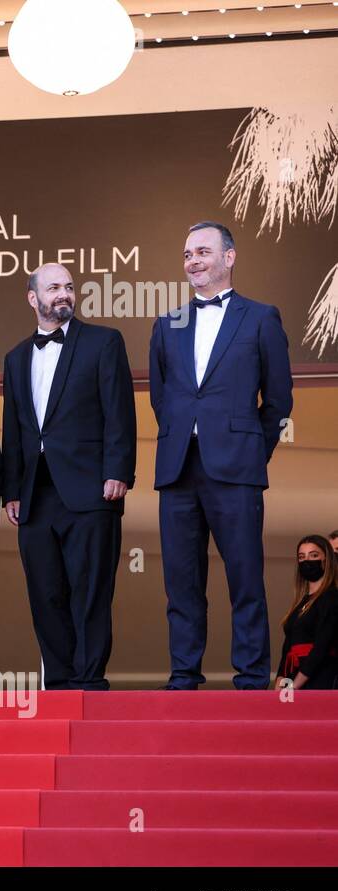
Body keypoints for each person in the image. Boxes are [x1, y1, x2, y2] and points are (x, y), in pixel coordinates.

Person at [150, 222, 293, 689]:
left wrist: (252, 450)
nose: (193, 260)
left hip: (237, 468)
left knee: (245, 577)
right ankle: (184, 675)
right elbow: (161, 397)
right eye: (187, 253)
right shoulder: (165, 323)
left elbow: (278, 401)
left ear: (229, 257)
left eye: (203, 251)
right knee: (181, 583)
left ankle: (251, 676)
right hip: (178, 468)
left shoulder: (261, 316)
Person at [1, 264, 137, 690]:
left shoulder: (104, 341)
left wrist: (118, 471)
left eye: (69, 287)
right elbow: (16, 429)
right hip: (35, 495)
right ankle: (59, 684)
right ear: (31, 298)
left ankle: (89, 682)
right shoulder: (16, 356)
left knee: (91, 590)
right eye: (54, 287)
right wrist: (12, 490)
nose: (64, 293)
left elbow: (120, 413)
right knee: (45, 593)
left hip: (92, 489)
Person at [275, 535, 338, 690]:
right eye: (301, 557)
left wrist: (295, 685)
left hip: (319, 677)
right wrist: (280, 680)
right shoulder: (300, 603)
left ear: (326, 560)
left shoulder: (332, 598)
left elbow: (321, 647)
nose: (307, 561)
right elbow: (287, 649)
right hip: (293, 676)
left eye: (314, 555)